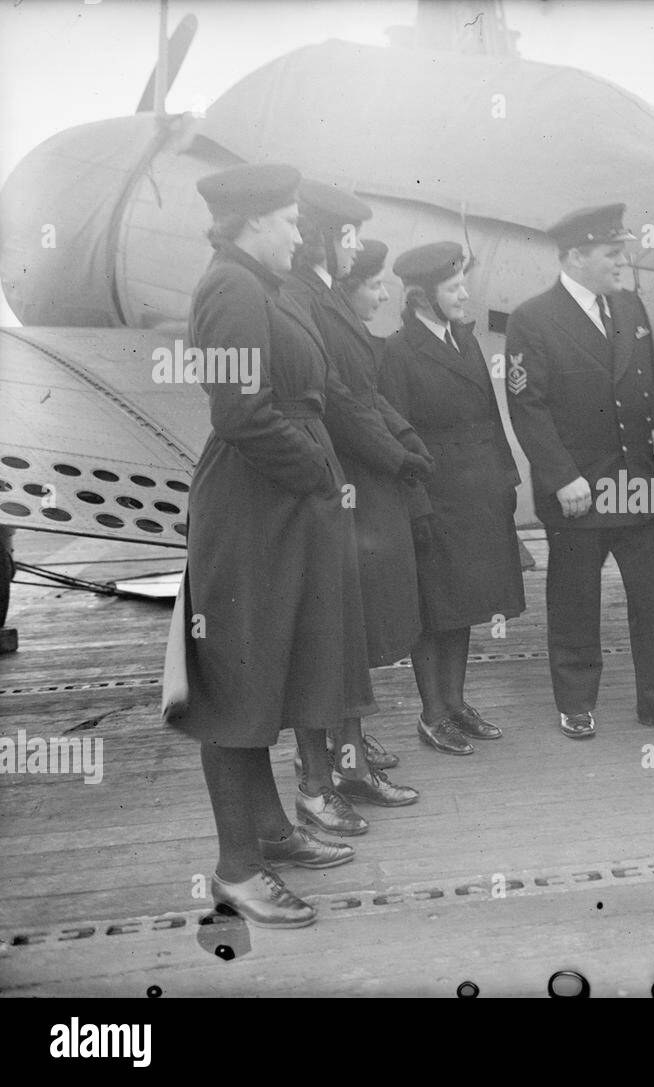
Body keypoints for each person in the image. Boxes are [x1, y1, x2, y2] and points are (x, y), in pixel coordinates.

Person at [169, 162, 384, 926]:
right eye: (290, 219)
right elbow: (240, 413)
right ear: (253, 221)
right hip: (255, 506)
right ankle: (236, 869)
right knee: (236, 687)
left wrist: (314, 475)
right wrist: (318, 470)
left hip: (280, 506)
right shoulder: (230, 287)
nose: (300, 232)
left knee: (267, 675)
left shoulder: (262, 286)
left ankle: (269, 830)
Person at [504, 204, 654, 741]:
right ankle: (576, 702)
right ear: (575, 256)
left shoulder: (629, 305)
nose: (622, 260)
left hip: (639, 482)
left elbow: (651, 378)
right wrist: (561, 476)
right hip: (579, 490)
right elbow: (529, 407)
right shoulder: (533, 318)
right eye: (612, 253)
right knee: (574, 602)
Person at [284, 185, 428, 817]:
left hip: (339, 478)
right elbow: (339, 398)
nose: (356, 249)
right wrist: (398, 457)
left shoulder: (320, 296)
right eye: (347, 237)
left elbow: (358, 391)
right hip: (329, 481)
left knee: (340, 634)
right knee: (328, 636)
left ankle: (347, 758)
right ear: (321, 237)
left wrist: (405, 442)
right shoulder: (305, 298)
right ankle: (331, 773)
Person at [380, 242, 525, 755]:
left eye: (464, 283)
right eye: (453, 287)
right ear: (423, 297)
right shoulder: (396, 352)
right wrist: (415, 505)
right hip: (434, 498)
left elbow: (489, 416)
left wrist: (507, 477)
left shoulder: (465, 339)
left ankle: (457, 704)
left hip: (478, 494)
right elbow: (397, 437)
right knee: (433, 608)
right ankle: (432, 713)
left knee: (464, 604)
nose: (465, 294)